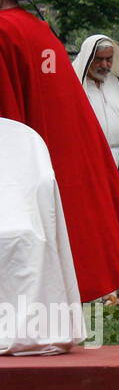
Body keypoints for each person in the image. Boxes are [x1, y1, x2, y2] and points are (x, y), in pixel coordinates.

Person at [0, 0, 119, 301]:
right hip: (60, 160)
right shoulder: (38, 29)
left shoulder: (4, 31)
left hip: (26, 159)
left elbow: (5, 119)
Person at [0, 118, 85, 355]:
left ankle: (36, 328)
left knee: (24, 236)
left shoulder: (23, 138)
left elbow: (44, 178)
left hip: (18, 211)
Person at [73, 34, 119, 207]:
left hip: (118, 165)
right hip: (86, 166)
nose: (105, 65)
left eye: (109, 59)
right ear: (88, 58)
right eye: (99, 60)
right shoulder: (74, 86)